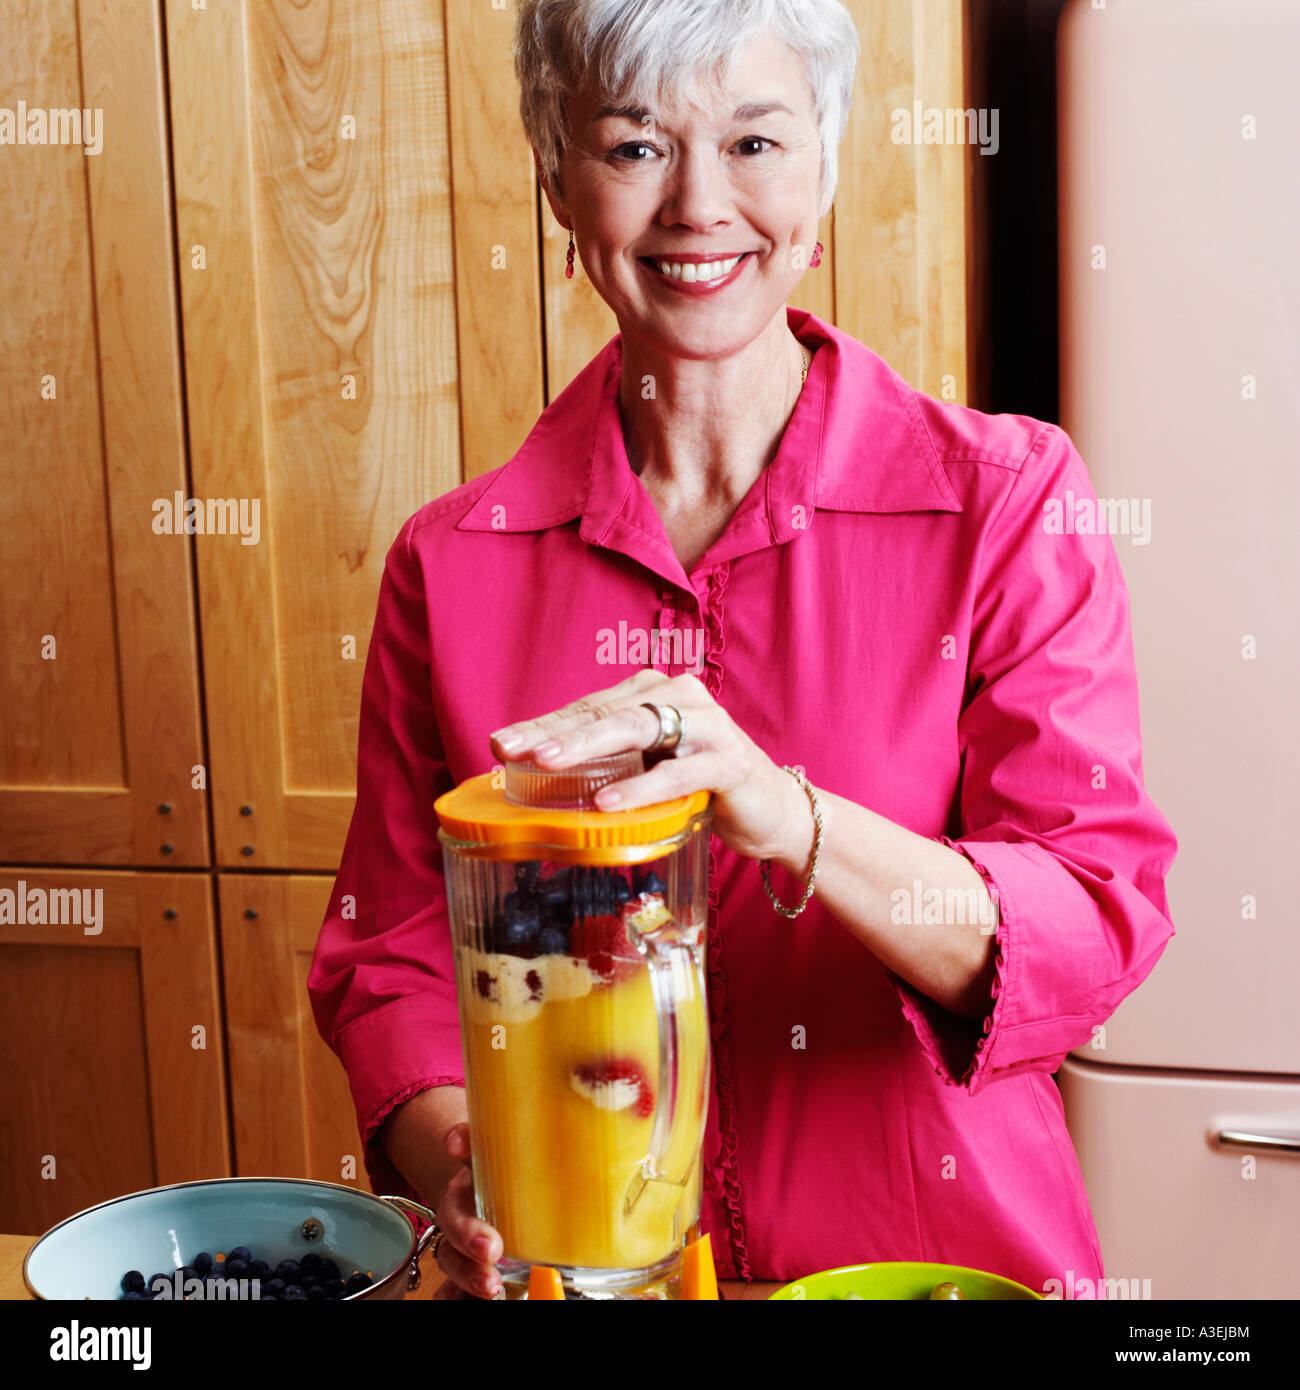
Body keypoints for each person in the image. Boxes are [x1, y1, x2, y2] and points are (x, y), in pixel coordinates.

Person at [308, 0, 1178, 1301]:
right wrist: (459, 1164)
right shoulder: (452, 562)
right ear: (558, 176)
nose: (698, 204)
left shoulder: (1006, 500)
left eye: (757, 143)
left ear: (822, 172)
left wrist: (790, 815)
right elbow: (397, 957)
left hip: (939, 1269)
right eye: (636, 146)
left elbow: (1094, 915)